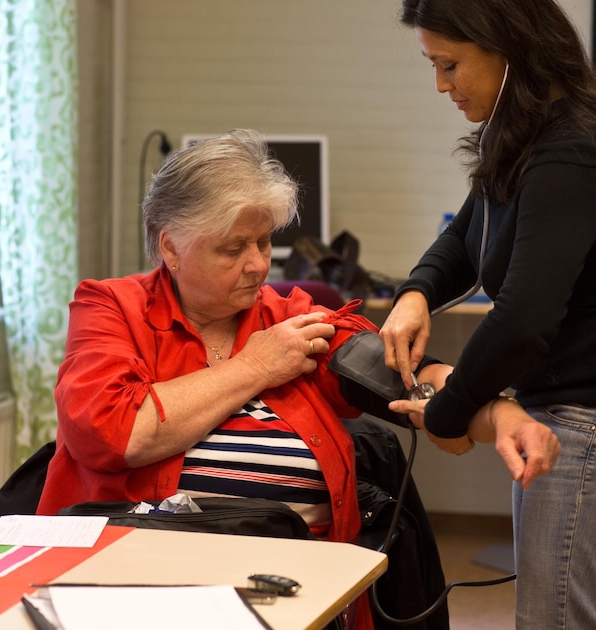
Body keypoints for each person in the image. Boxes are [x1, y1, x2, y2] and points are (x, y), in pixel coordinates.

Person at [38, 129, 482, 629]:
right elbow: (114, 435)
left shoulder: (287, 316)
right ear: (171, 247)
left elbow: (385, 365)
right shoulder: (110, 307)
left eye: (266, 241)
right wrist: (254, 367)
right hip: (139, 587)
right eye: (233, 248)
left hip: (295, 593)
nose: (258, 264)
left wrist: (474, 400)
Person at [381, 1, 596, 629]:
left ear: (508, 47)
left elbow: (526, 318)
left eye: (450, 66)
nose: (441, 85)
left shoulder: (572, 147)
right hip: (575, 406)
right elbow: (469, 235)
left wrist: (447, 413)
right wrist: (416, 292)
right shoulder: (517, 128)